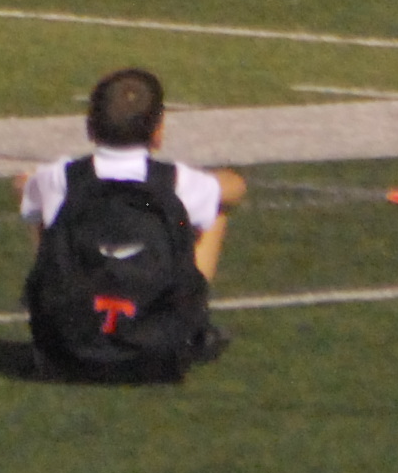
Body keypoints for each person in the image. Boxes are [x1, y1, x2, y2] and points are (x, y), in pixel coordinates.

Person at [18, 66, 242, 377]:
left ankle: (63, 318)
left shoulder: (61, 177)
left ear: (90, 128)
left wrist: (32, 185)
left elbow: (25, 191)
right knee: (215, 207)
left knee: (42, 209)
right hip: (156, 352)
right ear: (158, 132)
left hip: (66, 351)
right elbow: (235, 188)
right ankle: (192, 326)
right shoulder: (176, 181)